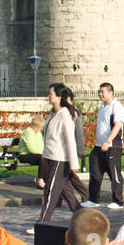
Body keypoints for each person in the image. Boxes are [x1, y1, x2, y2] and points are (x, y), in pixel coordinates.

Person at [39, 82, 82, 222]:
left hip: (60, 160)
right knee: (68, 193)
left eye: (50, 93)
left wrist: (74, 163)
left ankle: (42, 223)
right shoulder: (52, 113)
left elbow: (70, 140)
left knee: (50, 192)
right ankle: (82, 218)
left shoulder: (65, 115)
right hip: (49, 157)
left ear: (58, 96)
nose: (48, 96)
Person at [85, 82, 124, 209]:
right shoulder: (102, 106)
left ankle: (118, 201)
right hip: (99, 145)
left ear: (110, 92)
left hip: (112, 146)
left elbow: (118, 125)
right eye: (99, 91)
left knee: (114, 174)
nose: (100, 94)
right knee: (95, 171)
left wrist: (108, 141)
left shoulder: (117, 107)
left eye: (102, 91)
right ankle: (93, 199)